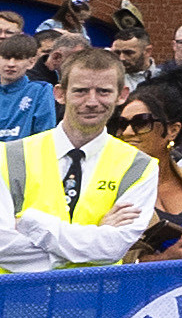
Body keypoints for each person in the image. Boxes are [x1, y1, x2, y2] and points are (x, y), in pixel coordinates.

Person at [0, 49, 158, 266]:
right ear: (60, 94)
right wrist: (96, 236)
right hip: (22, 299)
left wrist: (33, 224)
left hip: (97, 297)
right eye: (81, 91)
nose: (92, 101)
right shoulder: (8, 156)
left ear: (122, 95)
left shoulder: (140, 167)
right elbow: (2, 247)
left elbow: (112, 248)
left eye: (103, 91)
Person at [109, 77, 182, 258]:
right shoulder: (105, 189)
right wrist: (163, 260)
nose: (127, 132)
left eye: (141, 122)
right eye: (121, 124)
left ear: (172, 131)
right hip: (144, 285)